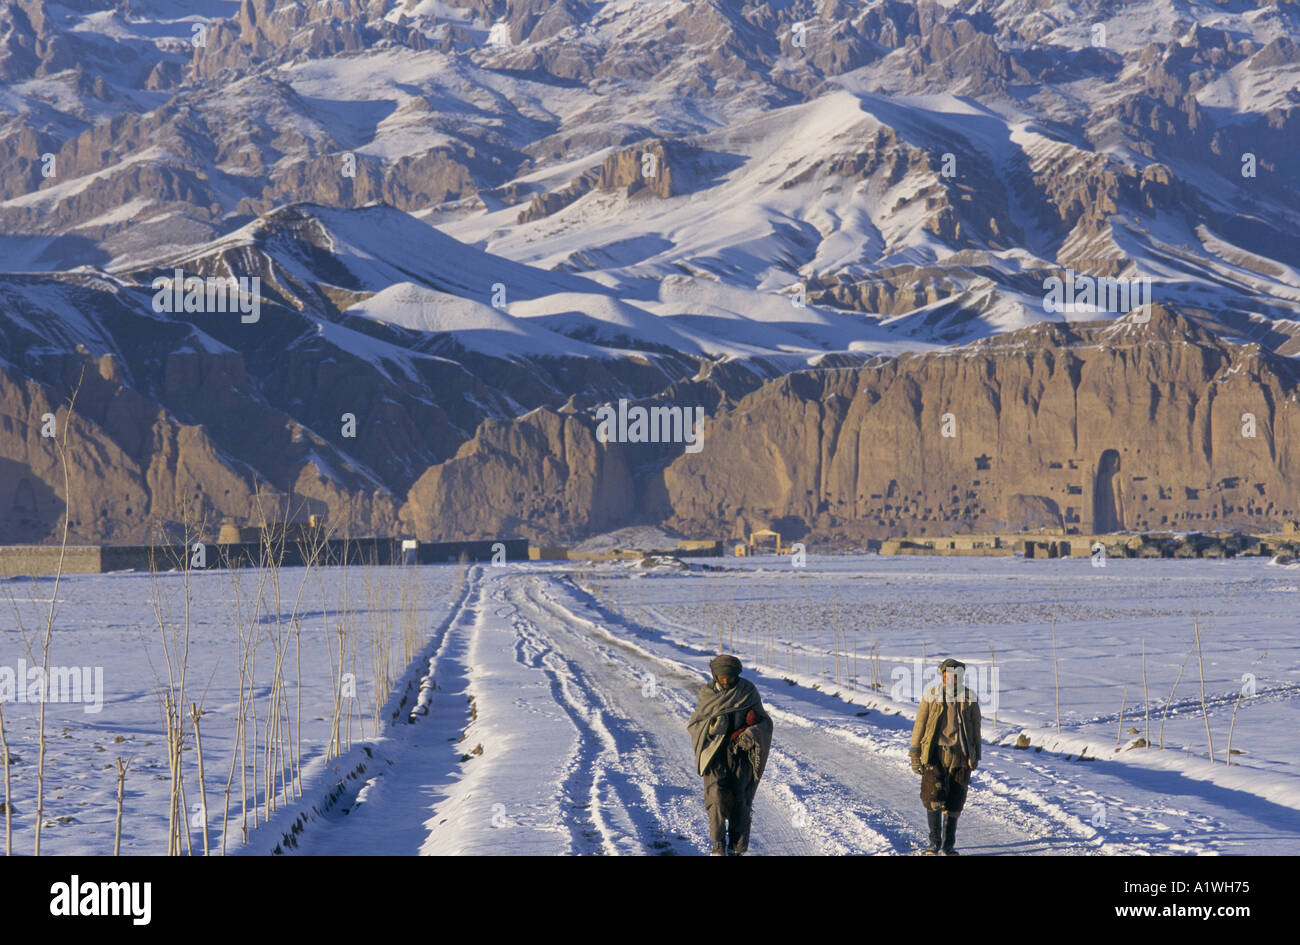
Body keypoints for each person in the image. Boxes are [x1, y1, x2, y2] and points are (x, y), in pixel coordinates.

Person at [686, 654, 773, 856]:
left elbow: (765, 722)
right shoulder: (708, 693)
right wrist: (713, 727)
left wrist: (752, 732)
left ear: (737, 675)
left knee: (740, 801)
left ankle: (737, 847)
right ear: (715, 675)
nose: (726, 681)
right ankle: (717, 843)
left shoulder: (747, 691)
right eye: (721, 677)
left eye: (730, 677)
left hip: (741, 756)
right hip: (714, 755)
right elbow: (695, 725)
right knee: (715, 797)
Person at [909, 657, 981, 855]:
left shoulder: (969, 697)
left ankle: (949, 847)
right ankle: (934, 844)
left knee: (955, 800)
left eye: (955, 676)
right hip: (935, 754)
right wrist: (915, 754)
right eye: (947, 675)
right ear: (942, 676)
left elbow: (975, 729)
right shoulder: (931, 695)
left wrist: (975, 755)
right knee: (933, 796)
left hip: (960, 754)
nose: (951, 679)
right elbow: (920, 725)